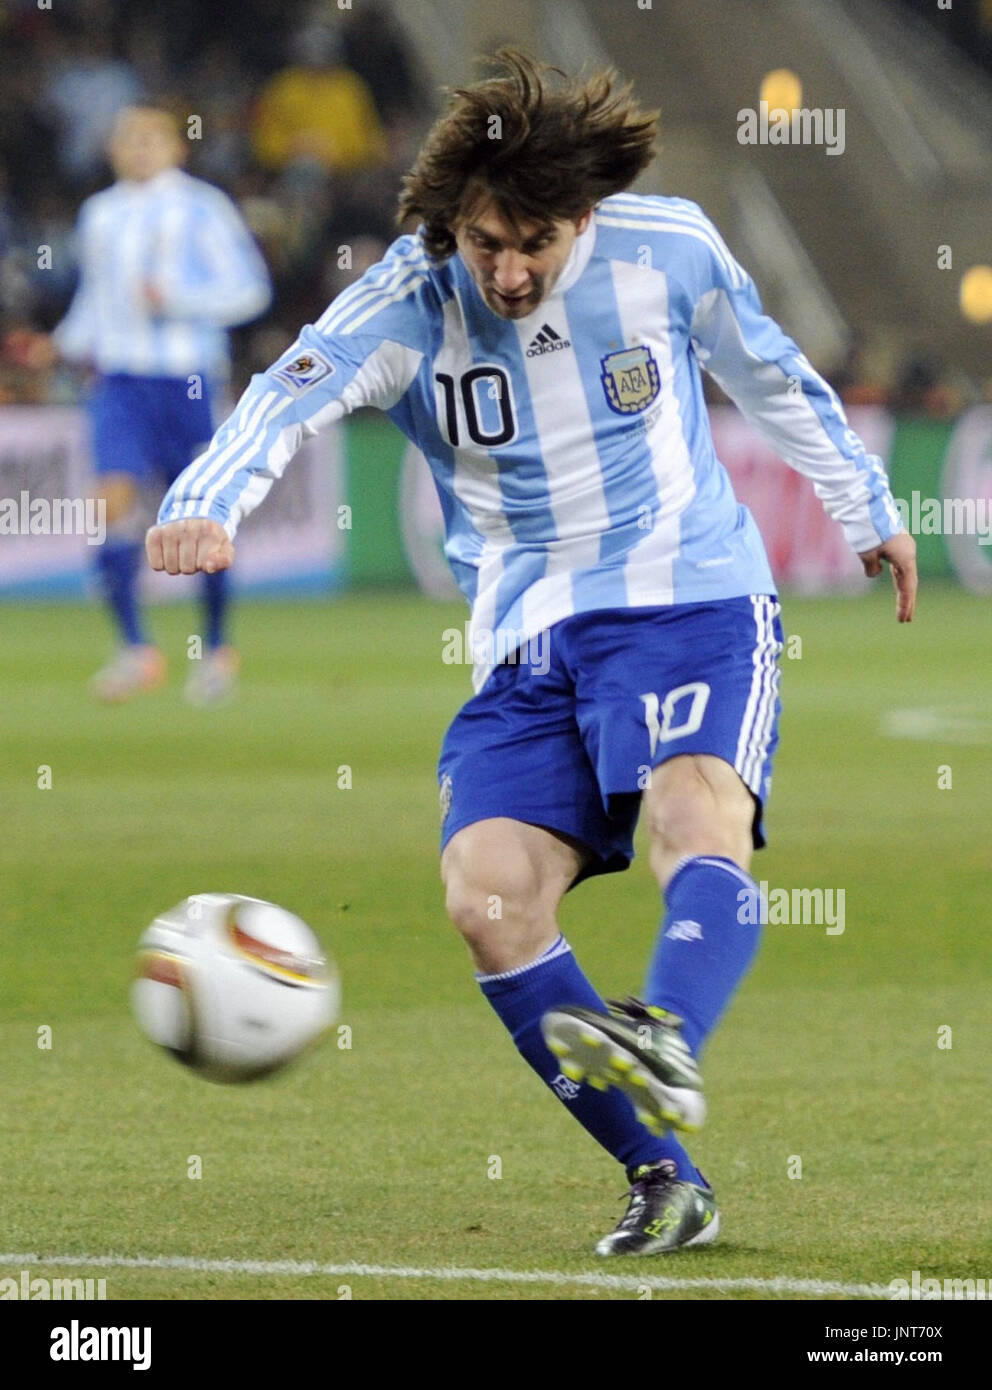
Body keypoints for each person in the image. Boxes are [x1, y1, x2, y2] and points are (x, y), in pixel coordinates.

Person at [146, 53, 917, 1254]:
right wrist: (211, 499)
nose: (506, 271)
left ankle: (664, 1028)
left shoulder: (669, 248)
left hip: (686, 596)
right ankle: (665, 1177)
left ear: (584, 219)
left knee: (690, 814)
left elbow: (768, 372)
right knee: (488, 898)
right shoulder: (407, 294)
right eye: (483, 243)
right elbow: (286, 392)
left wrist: (865, 505)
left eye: (533, 245)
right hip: (521, 635)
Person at [51, 105, 272, 703]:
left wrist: (177, 297)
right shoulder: (98, 214)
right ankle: (134, 649)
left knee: (196, 519)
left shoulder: (204, 207)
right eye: (128, 140)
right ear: (114, 150)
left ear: (177, 147)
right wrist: (59, 345)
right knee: (110, 504)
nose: (139, 149)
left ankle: (216, 649)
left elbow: (251, 291)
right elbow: (94, 299)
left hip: (188, 381)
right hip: (120, 380)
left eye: (152, 138)